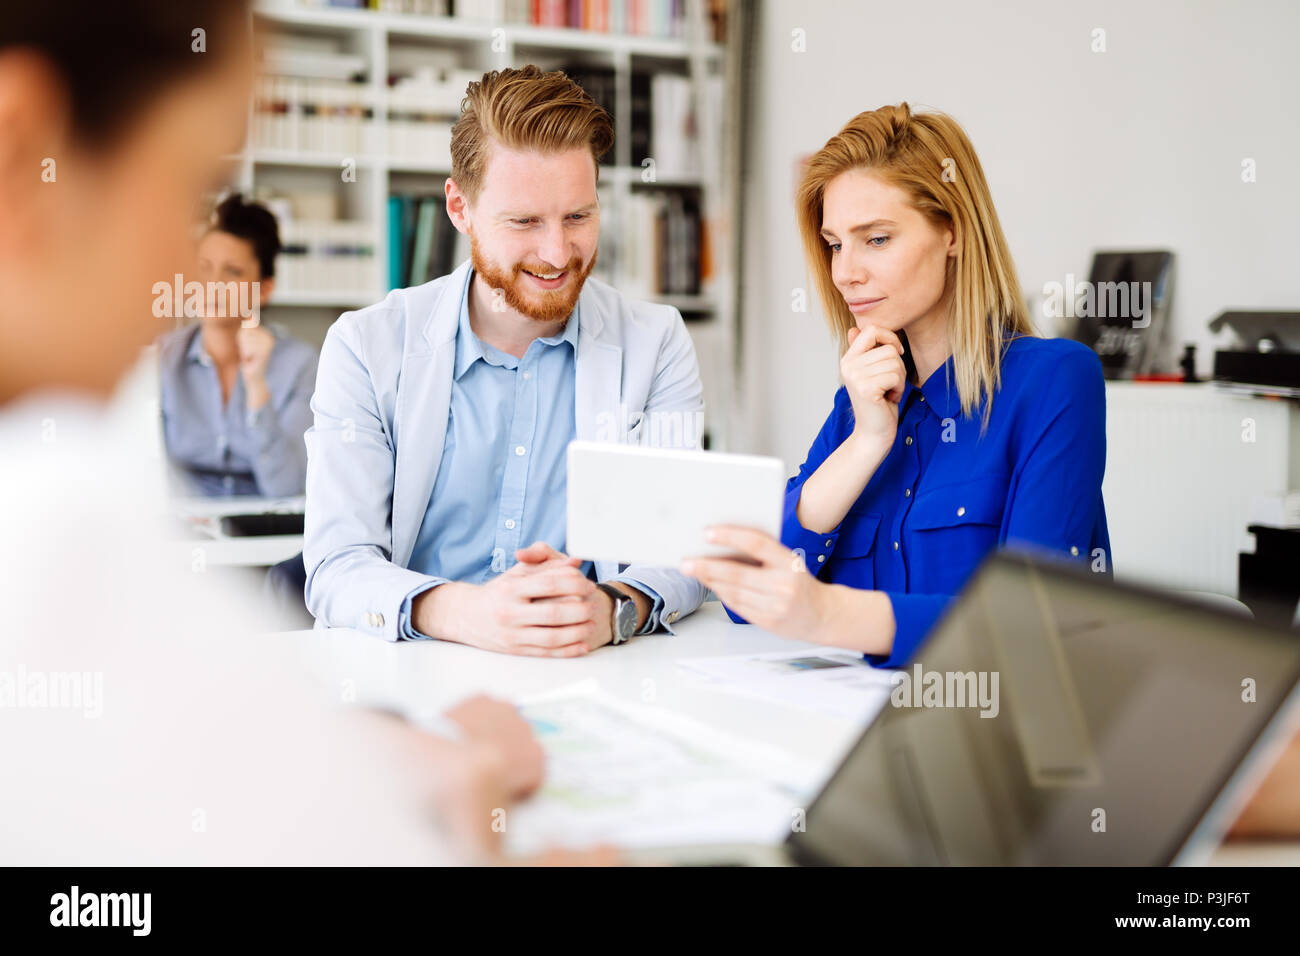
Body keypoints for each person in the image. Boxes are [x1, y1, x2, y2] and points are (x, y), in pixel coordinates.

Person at [0, 0, 606, 865]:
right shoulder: (51, 538)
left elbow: (192, 750)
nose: (185, 273)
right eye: (180, 187)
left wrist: (389, 753)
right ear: (22, 154)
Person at [682, 103, 1111, 668]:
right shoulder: (861, 400)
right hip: (845, 725)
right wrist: (864, 443)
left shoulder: (1055, 380)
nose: (844, 273)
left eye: (876, 239)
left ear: (952, 231)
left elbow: (1027, 621)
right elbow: (750, 599)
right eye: (835, 244)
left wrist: (827, 613)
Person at [304, 66, 707, 655]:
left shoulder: (657, 341)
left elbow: (684, 548)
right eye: (524, 221)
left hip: (586, 670)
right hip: (412, 672)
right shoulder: (365, 347)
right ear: (459, 208)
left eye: (579, 216)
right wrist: (472, 613)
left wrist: (612, 608)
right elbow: (336, 566)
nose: (556, 253)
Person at [158, 192, 318, 497]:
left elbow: (286, 489)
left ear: (264, 289)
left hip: (265, 529)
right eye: (204, 267)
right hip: (184, 529)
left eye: (232, 272)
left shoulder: (300, 365)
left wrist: (256, 386)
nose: (213, 284)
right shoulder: (164, 359)